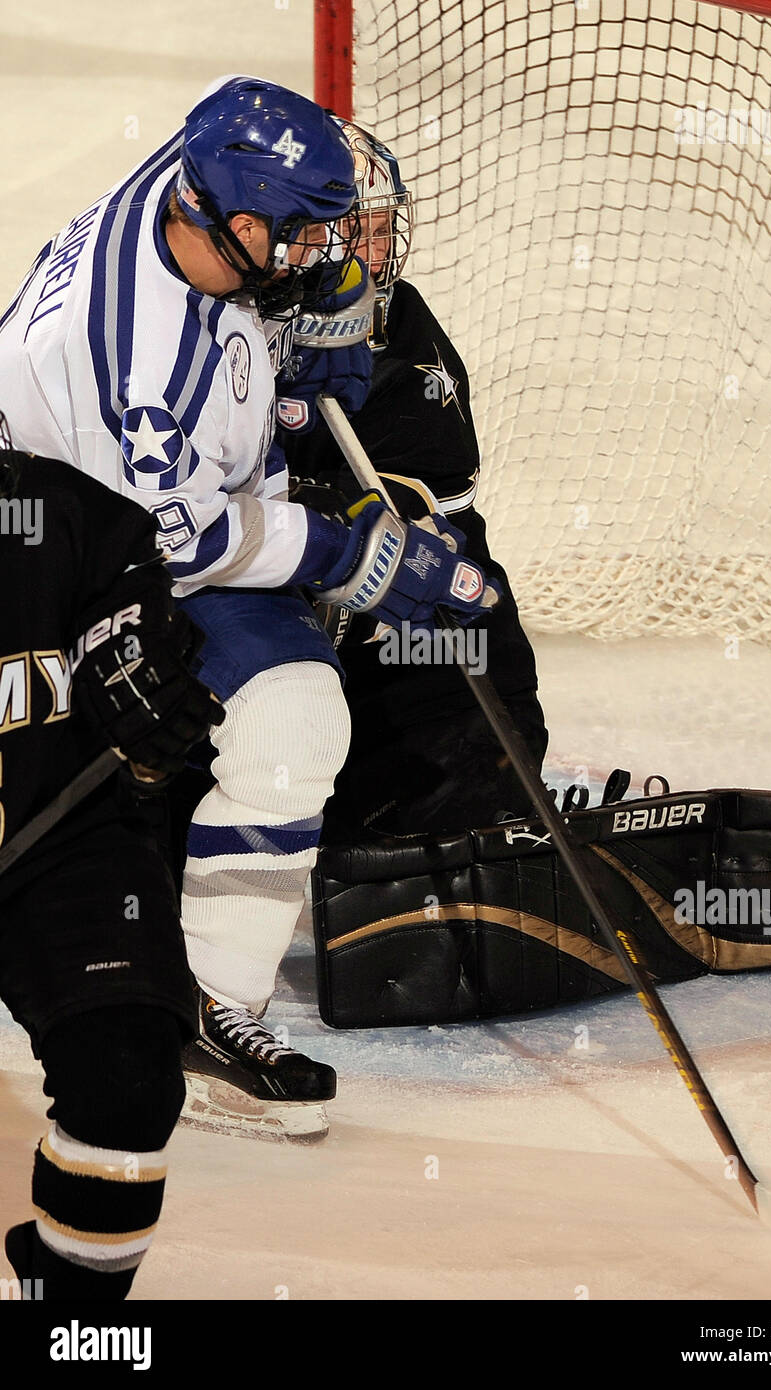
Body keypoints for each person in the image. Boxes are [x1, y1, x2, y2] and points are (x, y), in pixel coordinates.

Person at [0, 78, 500, 1140]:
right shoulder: (132, 369)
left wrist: (295, 330)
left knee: (291, 715)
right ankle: (147, 995)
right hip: (65, 559)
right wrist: (346, 552)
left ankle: (212, 1002)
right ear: (235, 222)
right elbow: (181, 542)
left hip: (133, 501)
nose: (331, 249)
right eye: (306, 234)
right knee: (271, 718)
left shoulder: (192, 189)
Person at [0, 415, 223, 1299]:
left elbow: (126, 601)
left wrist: (138, 670)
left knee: (128, 1083)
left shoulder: (56, 510)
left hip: (61, 834)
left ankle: (69, 1311)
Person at [278, 119, 549, 840]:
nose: (368, 254)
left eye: (378, 229)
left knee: (471, 618)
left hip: (357, 618)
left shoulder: (407, 347)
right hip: (231, 604)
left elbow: (435, 518)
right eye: (347, 231)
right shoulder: (207, 327)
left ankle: (450, 808)